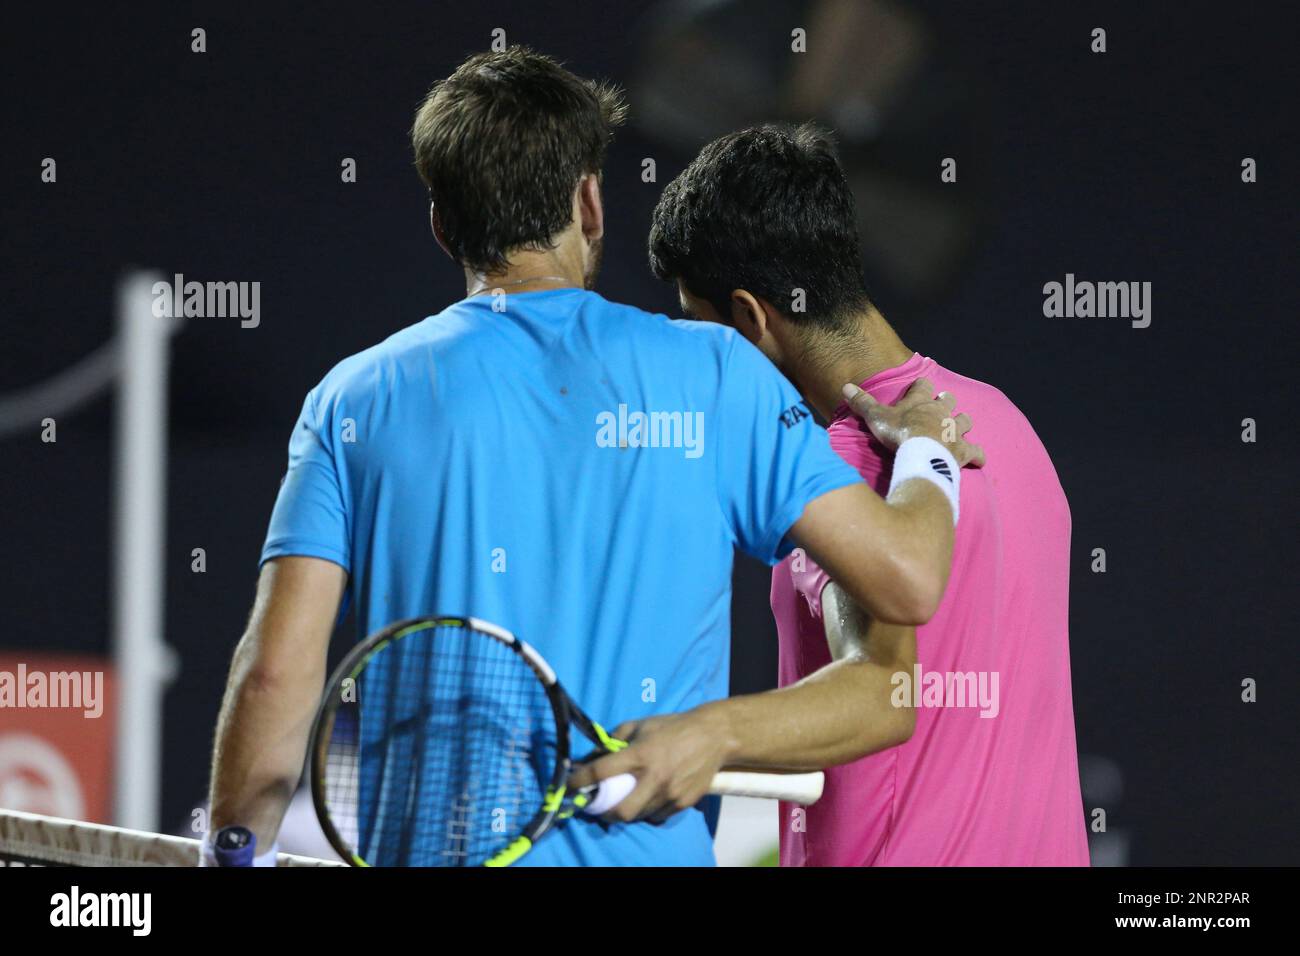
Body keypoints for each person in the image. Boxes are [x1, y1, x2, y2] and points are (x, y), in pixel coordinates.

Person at [205, 50, 981, 867]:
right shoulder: (716, 374)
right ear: (589, 200)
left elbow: (273, 679)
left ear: (443, 223)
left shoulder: (352, 400)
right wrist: (925, 449)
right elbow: (908, 576)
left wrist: (228, 850)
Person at [574, 123, 1087, 866]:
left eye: (704, 328)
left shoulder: (837, 475)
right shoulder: (1007, 424)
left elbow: (881, 693)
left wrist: (701, 735)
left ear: (751, 319)